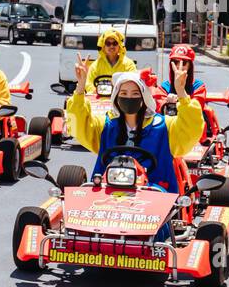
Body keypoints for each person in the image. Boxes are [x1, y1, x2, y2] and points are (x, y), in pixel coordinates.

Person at [66, 59, 204, 193]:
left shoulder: (164, 126)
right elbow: (77, 124)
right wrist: (80, 88)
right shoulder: (106, 126)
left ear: (144, 98)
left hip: (156, 196)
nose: (129, 98)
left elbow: (191, 127)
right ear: (116, 98)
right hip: (108, 193)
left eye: (135, 94)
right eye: (124, 93)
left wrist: (181, 93)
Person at [84, 28, 138, 93]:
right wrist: (98, 91)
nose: (111, 46)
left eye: (115, 43)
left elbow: (133, 84)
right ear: (103, 46)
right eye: (108, 43)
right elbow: (88, 84)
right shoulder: (95, 65)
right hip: (99, 100)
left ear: (120, 46)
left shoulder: (129, 64)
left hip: (121, 100)